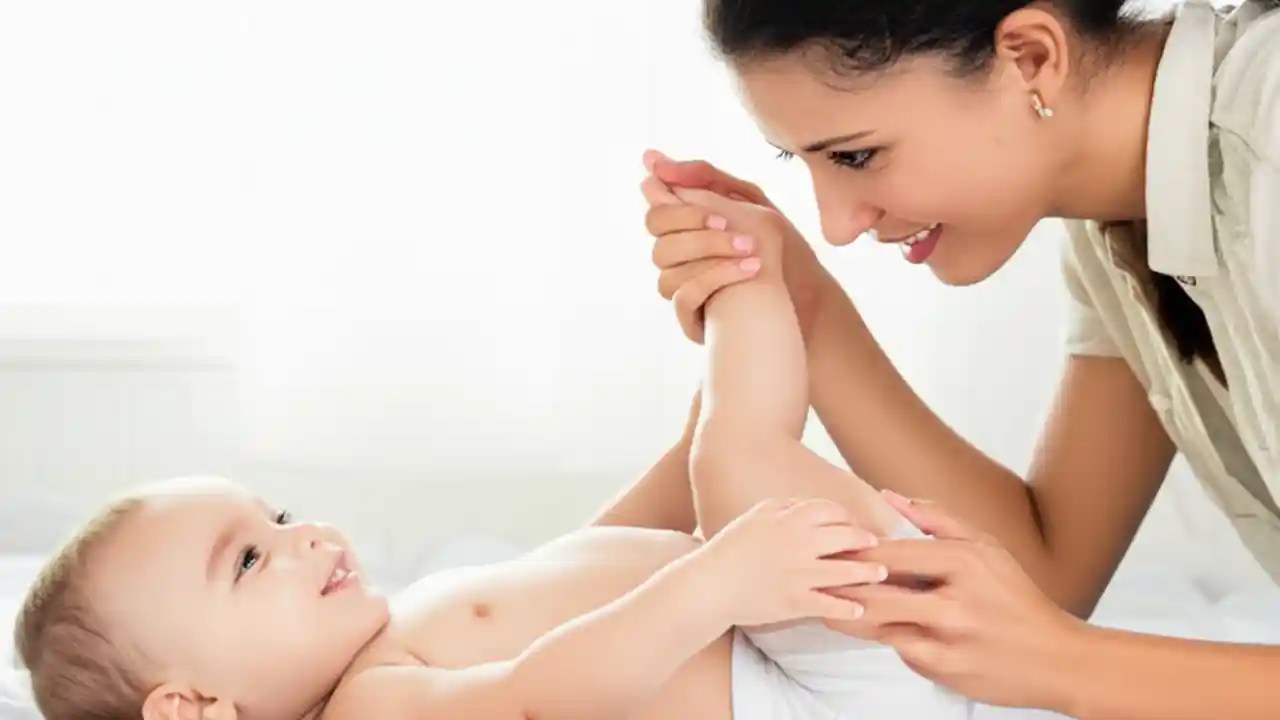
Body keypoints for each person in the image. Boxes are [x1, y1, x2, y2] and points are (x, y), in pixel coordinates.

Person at [12, 192, 971, 720]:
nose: (302, 539)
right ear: (193, 712)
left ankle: (753, 296)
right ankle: (749, 272)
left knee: (725, 459)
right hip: (806, 692)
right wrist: (714, 583)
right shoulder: (365, 716)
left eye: (277, 516)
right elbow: (534, 694)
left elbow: (581, 563)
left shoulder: (379, 651)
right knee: (743, 459)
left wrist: (683, 466)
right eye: (250, 559)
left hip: (782, 638)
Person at [639, 0, 1280, 716]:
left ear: (1032, 57)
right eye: (806, 160)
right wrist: (806, 308)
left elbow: (1046, 633)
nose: (838, 225)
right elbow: (1044, 575)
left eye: (857, 155)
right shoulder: (1121, 228)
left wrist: (1067, 664)